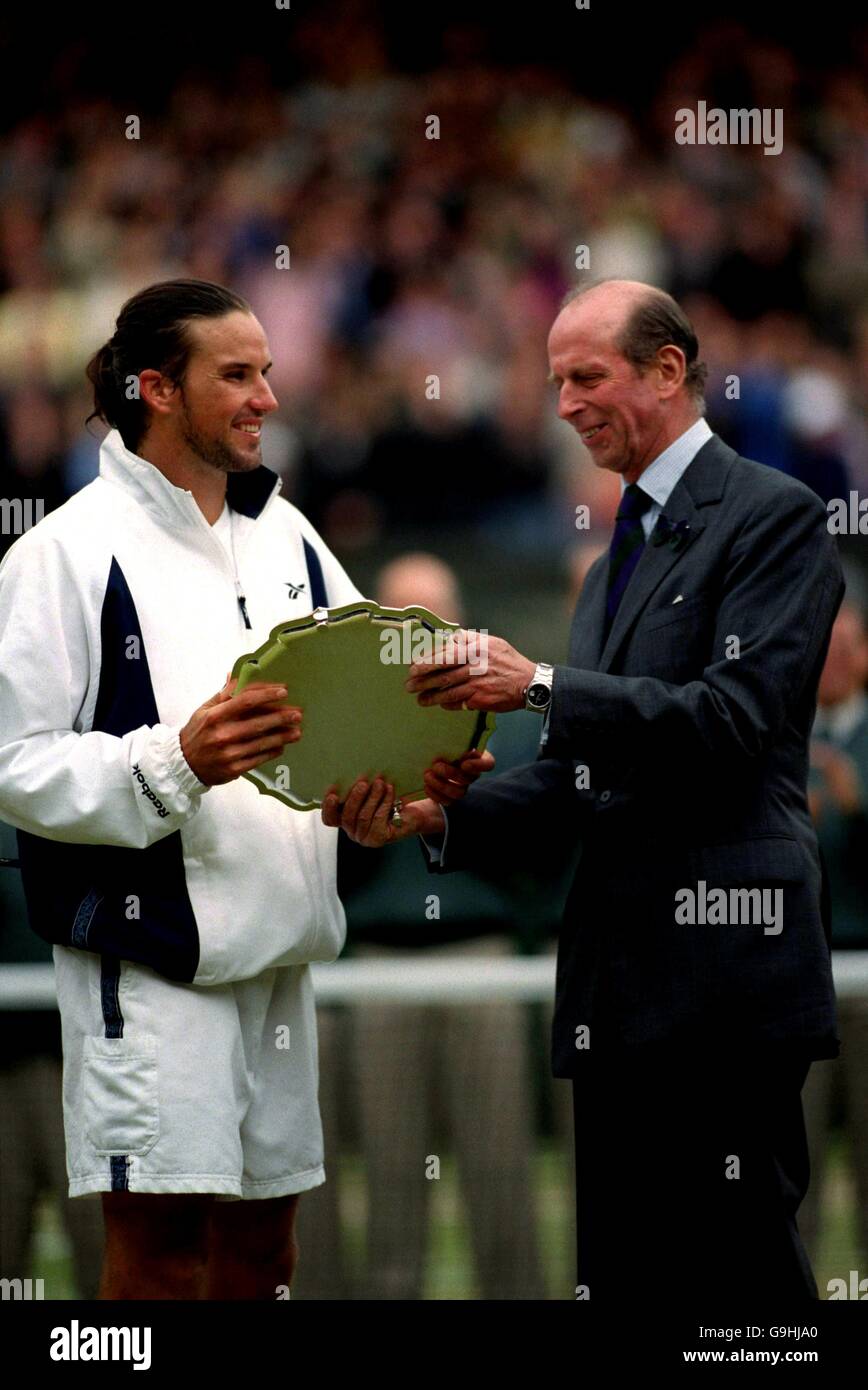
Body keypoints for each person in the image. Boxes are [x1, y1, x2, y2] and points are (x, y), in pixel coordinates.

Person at [324, 278, 845, 1303]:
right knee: (623, 1280)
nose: (562, 403)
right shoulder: (617, 560)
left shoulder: (773, 516)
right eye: (554, 379)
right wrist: (443, 816)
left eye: (586, 376)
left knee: (739, 1284)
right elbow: (582, 778)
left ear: (667, 369)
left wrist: (542, 683)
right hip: (619, 991)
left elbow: (733, 724)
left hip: (723, 981)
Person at [0, 277, 490, 1300]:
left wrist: (393, 794)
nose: (268, 393)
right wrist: (179, 759)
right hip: (147, 966)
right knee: (158, 1262)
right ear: (156, 389)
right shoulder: (59, 553)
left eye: (267, 370)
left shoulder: (291, 536)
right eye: (238, 373)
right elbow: (16, 764)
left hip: (282, 958)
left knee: (266, 1261)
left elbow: (365, 724)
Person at [800, 601, 868, 1268]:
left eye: (849, 646)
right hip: (799, 979)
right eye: (827, 647)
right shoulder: (777, 737)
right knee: (798, 1163)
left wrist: (856, 806)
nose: (838, 660)